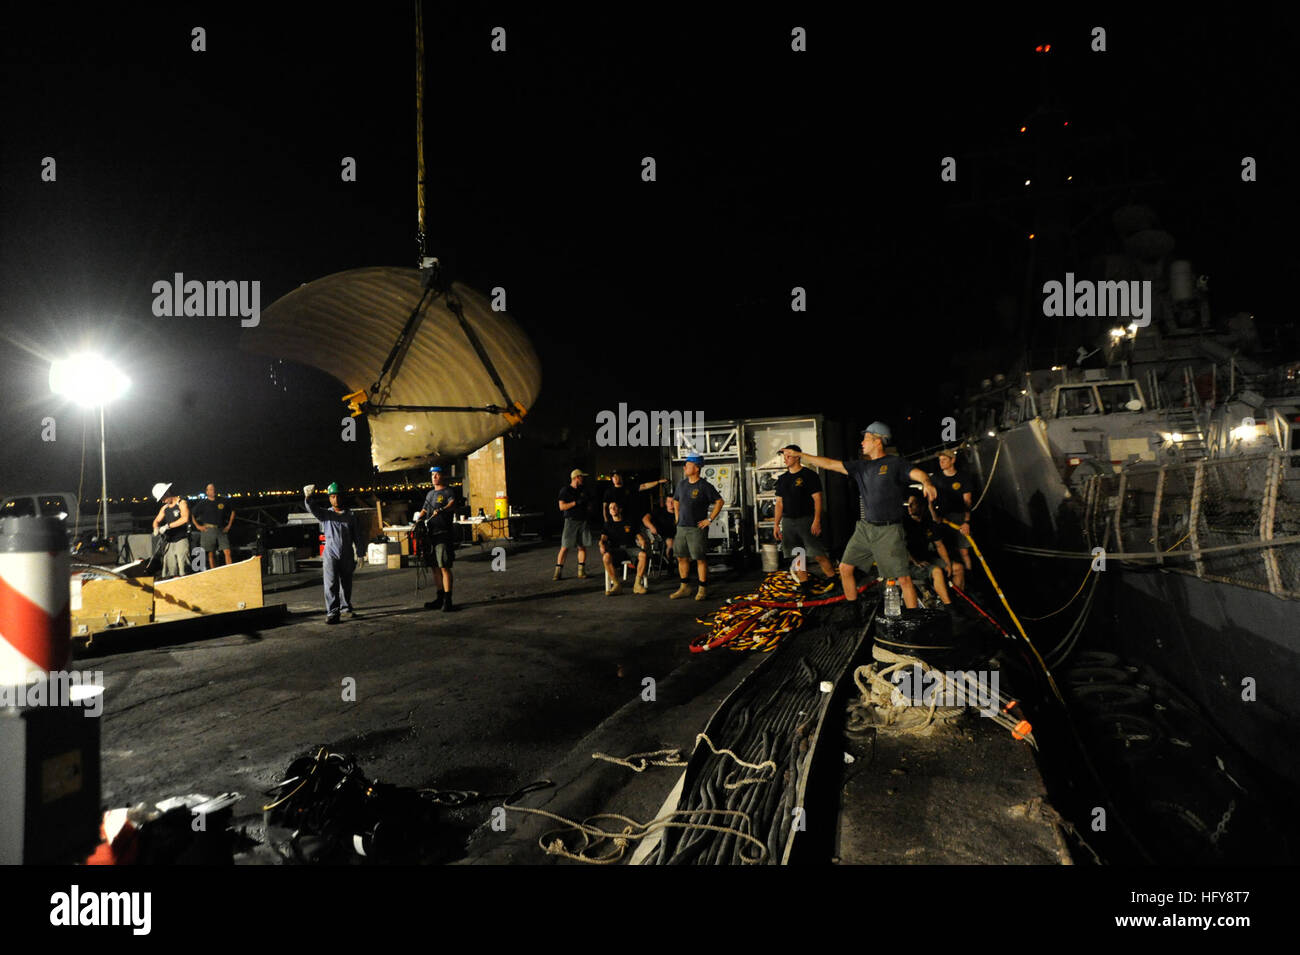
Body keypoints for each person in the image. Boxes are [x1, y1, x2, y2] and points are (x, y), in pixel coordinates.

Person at [792, 422, 937, 609]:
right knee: (845, 568)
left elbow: (918, 474)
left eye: (866, 438)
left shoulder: (895, 463)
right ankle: (854, 612)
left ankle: (913, 619)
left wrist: (927, 483)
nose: (862, 442)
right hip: (865, 528)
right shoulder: (861, 466)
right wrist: (801, 455)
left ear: (878, 441)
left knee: (903, 578)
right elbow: (829, 464)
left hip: (889, 530)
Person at [773, 445, 835, 578]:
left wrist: (817, 520)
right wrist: (776, 524)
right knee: (798, 555)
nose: (785, 459)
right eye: (784, 456)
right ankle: (804, 585)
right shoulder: (782, 479)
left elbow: (818, 499)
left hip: (806, 520)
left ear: (797, 457)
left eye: (789, 456)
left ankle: (833, 579)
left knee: (818, 554)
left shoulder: (809, 475)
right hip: (788, 522)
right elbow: (779, 503)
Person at [302, 482, 361, 624]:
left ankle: (345, 608)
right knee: (330, 583)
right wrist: (308, 498)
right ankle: (332, 612)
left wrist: (360, 553)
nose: (336, 499)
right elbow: (312, 509)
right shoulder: (326, 514)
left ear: (343, 497)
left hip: (347, 553)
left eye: (338, 496)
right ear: (329, 498)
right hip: (330, 554)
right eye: (333, 496)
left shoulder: (351, 516)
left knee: (346, 583)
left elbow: (358, 536)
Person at [669, 453, 723, 601]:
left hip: (696, 528)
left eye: (688, 464)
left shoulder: (704, 486)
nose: (685, 467)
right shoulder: (682, 484)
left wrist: (709, 519)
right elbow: (676, 500)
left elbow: (719, 501)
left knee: (699, 558)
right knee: (681, 557)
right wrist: (677, 517)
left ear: (697, 467)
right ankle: (684, 587)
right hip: (682, 527)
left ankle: (702, 588)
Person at [413, 466, 459, 612]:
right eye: (432, 475)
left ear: (442, 476)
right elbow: (425, 509)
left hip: (443, 534)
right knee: (435, 567)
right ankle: (440, 597)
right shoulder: (430, 494)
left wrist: (442, 509)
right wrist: (418, 519)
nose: (434, 477)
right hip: (431, 536)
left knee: (444, 566)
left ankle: (448, 600)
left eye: (437, 474)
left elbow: (452, 504)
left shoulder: (448, 492)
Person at [903, 492, 954, 607]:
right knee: (937, 571)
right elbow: (900, 547)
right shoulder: (904, 524)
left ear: (922, 506)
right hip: (910, 563)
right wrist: (915, 561)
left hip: (927, 558)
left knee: (957, 568)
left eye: (913, 504)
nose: (909, 507)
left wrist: (948, 564)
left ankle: (956, 600)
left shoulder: (928, 523)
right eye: (908, 504)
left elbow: (939, 545)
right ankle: (950, 608)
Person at [929, 449, 972, 583]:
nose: (941, 462)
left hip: (959, 517)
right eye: (940, 460)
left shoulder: (963, 477)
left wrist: (966, 521)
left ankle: (970, 580)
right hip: (943, 519)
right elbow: (930, 501)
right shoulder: (935, 479)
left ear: (952, 460)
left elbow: (967, 501)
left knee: (964, 552)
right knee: (947, 550)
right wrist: (935, 517)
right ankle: (952, 580)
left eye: (944, 460)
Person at [599, 500, 650, 595]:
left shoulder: (629, 522)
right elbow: (603, 539)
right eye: (610, 508)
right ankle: (616, 585)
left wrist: (642, 541)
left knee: (643, 555)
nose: (612, 509)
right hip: (616, 550)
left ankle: (637, 584)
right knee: (606, 557)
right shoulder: (608, 524)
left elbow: (638, 536)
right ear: (609, 511)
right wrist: (601, 545)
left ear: (620, 509)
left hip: (630, 548)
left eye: (615, 507)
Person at [555, 469, 593, 580]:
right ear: (576, 477)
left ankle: (581, 571)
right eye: (581, 477)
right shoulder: (565, 490)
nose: (583, 479)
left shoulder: (584, 490)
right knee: (565, 546)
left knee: (582, 546)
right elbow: (561, 507)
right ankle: (558, 572)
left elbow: (589, 504)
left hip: (583, 521)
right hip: (571, 521)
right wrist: (575, 503)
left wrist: (588, 507)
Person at [150, 482, 191, 579]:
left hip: (181, 539)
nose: (163, 501)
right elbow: (156, 521)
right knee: (170, 568)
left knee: (183, 566)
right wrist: (156, 528)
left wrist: (168, 526)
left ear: (167, 493)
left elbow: (185, 518)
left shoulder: (181, 503)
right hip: (169, 541)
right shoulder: (164, 508)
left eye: (163, 498)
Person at [191, 483, 236, 569]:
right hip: (208, 530)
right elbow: (192, 514)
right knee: (211, 553)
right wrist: (197, 526)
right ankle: (213, 571)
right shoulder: (202, 503)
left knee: (227, 551)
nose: (213, 491)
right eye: (211, 489)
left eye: (214, 489)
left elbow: (233, 511)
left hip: (221, 529)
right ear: (207, 492)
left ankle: (230, 570)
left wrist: (229, 525)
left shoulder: (222, 501)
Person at [603, 470, 668, 522]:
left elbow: (644, 486)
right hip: (616, 519)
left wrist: (658, 482)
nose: (615, 478)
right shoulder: (609, 492)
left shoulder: (629, 487)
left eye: (617, 476)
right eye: (613, 477)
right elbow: (605, 508)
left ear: (621, 477)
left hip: (630, 518)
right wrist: (606, 521)